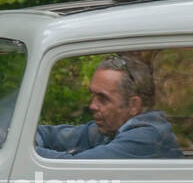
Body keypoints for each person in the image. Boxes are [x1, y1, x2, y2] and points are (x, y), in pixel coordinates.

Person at [35, 55, 182, 159]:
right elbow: (46, 134)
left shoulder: (147, 136)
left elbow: (75, 170)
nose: (92, 106)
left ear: (133, 105)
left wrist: (25, 152)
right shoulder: (112, 127)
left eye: (103, 99)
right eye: (92, 96)